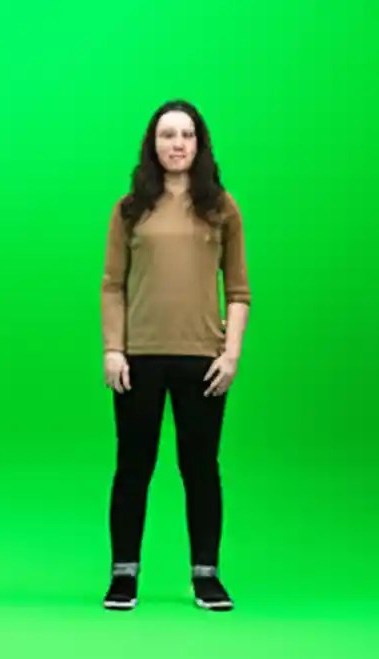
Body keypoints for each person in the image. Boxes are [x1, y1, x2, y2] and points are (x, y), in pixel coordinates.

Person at [99, 99, 250, 612]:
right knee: (133, 466)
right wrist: (113, 350)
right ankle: (124, 575)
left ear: (200, 144)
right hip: (139, 358)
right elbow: (111, 286)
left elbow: (240, 291)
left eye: (186, 135)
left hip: (203, 360)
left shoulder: (222, 207)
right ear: (153, 144)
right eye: (167, 135)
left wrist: (230, 355)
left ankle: (206, 575)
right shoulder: (128, 209)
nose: (177, 144)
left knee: (201, 466)